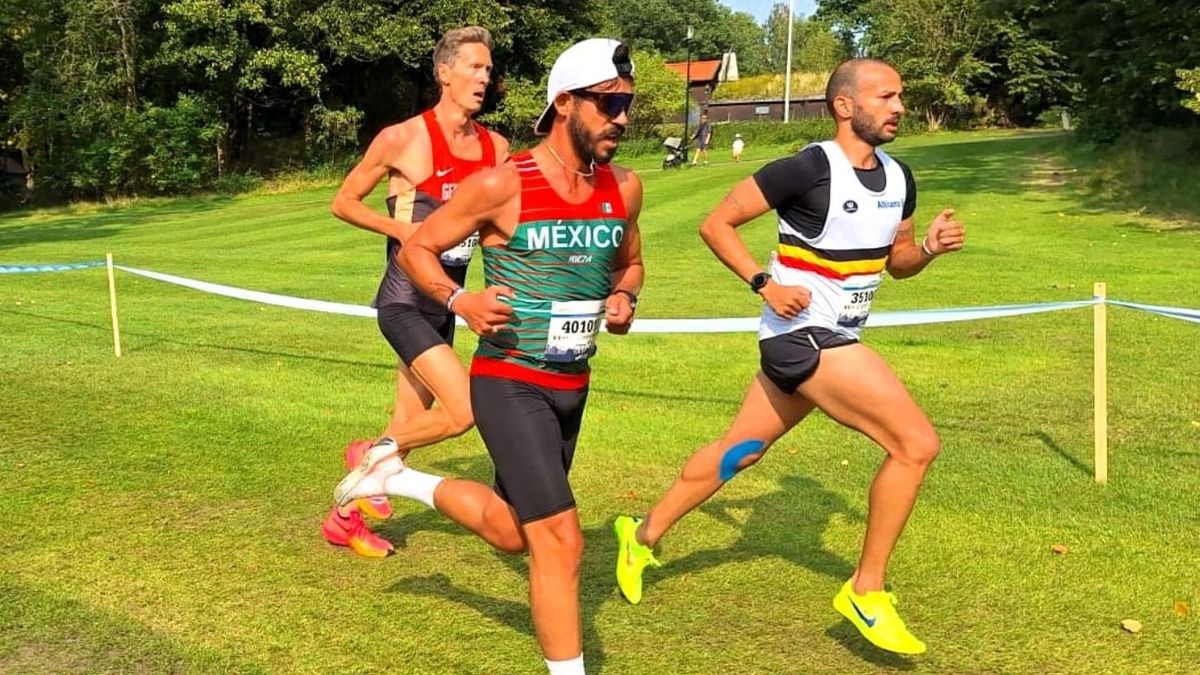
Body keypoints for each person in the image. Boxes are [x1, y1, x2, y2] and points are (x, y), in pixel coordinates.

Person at [613, 57, 965, 656]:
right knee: (915, 444)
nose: (899, 106)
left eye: (901, 95)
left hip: (835, 338)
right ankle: (865, 590)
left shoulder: (902, 177)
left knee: (740, 453)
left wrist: (928, 247)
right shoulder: (806, 168)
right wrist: (763, 282)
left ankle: (640, 534)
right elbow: (716, 223)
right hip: (801, 336)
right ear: (845, 106)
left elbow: (897, 264)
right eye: (886, 95)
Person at [335, 38, 644, 675]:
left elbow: (632, 263)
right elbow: (420, 248)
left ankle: (397, 475)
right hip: (509, 377)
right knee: (560, 540)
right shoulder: (504, 183)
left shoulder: (626, 188)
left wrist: (623, 295)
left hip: (573, 382)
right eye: (609, 103)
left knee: (512, 532)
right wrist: (461, 300)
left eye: (627, 105)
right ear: (566, 103)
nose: (622, 117)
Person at [322, 26, 510, 557]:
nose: (483, 78)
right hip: (403, 300)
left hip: (447, 306)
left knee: (406, 425)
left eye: (489, 70)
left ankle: (344, 520)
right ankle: (371, 451)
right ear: (443, 73)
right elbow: (345, 202)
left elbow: (497, 226)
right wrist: (404, 231)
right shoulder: (402, 138)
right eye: (474, 67)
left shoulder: (496, 147)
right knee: (463, 410)